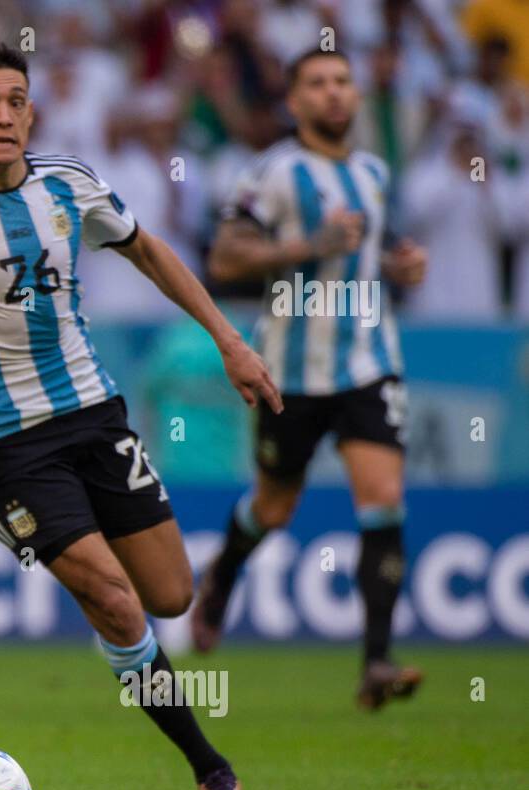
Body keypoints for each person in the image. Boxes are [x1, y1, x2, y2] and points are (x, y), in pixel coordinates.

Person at [0, 43, 280, 790]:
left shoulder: (69, 185)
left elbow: (148, 249)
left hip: (92, 412)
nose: (2, 113)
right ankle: (212, 769)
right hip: (0, 442)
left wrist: (230, 340)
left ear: (32, 112)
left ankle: (118, 626)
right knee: (115, 598)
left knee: (170, 596)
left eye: (15, 99)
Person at [195, 49, 429, 711]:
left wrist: (399, 262)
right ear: (294, 102)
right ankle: (221, 577)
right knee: (274, 509)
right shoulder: (272, 173)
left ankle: (377, 662)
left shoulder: (374, 171)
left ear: (355, 96)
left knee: (382, 497)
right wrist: (305, 246)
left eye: (342, 83)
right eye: (317, 85)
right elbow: (225, 256)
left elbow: (370, 247)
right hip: (289, 372)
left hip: (368, 363)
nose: (333, 94)